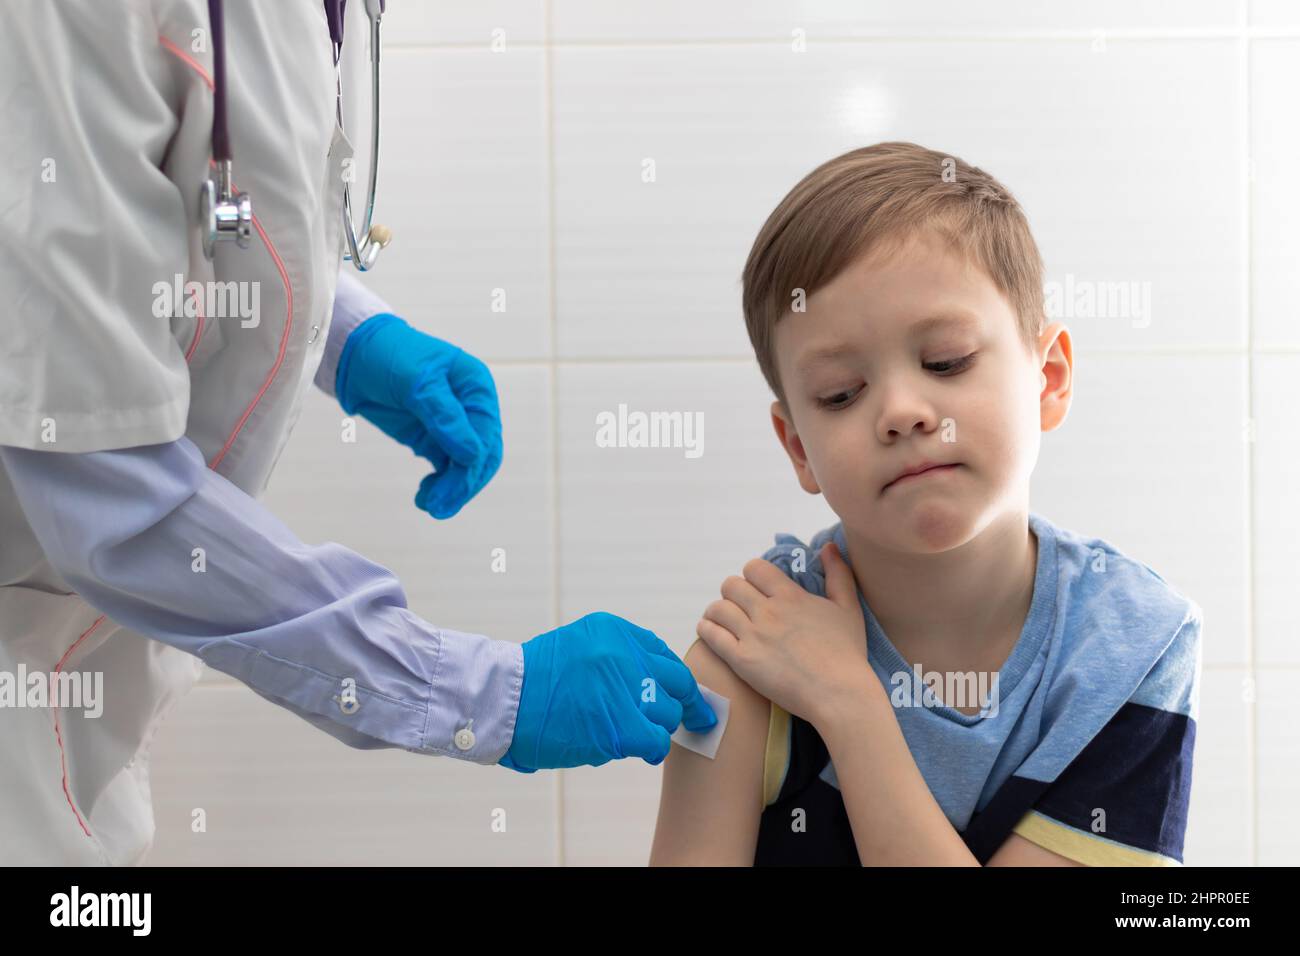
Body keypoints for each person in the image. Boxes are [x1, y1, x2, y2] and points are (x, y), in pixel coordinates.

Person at [0, 0, 713, 866]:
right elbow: (99, 476)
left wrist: (345, 334)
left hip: (86, 679)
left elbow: (179, 203)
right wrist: (478, 694)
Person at [651, 142, 1201, 866]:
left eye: (946, 361)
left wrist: (853, 710)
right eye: (841, 394)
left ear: (1050, 378)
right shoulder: (750, 654)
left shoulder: (1131, 648)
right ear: (798, 448)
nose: (903, 412)